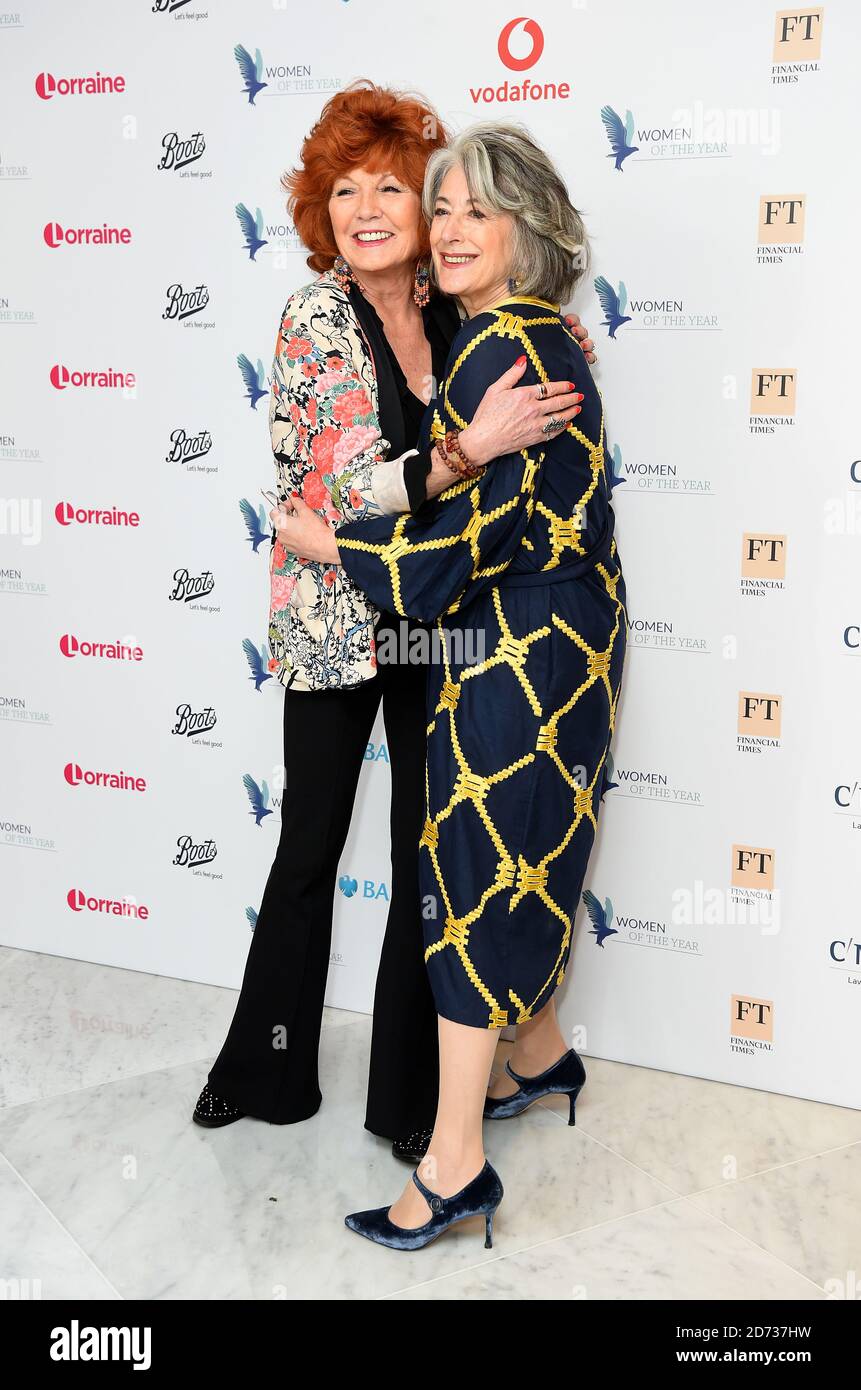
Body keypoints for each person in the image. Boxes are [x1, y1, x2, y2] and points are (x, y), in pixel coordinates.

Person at [192, 83, 595, 1163]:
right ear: (318, 211)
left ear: (423, 209)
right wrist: (471, 447)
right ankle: (264, 1067)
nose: (365, 208)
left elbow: (517, 340)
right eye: (341, 191)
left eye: (389, 187)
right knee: (313, 845)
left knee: (432, 856)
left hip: (433, 613)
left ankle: (412, 1102)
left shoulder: (452, 301)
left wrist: (562, 351)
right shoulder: (315, 316)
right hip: (335, 616)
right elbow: (346, 492)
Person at [271, 122, 628, 1250]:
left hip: (512, 647)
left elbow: (452, 553)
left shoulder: (492, 342)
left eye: (480, 208)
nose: (454, 224)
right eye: (451, 206)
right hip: (568, 637)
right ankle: (541, 1052)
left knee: (470, 876)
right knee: (525, 850)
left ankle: (456, 1164)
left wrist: (330, 550)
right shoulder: (514, 335)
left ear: (527, 229)